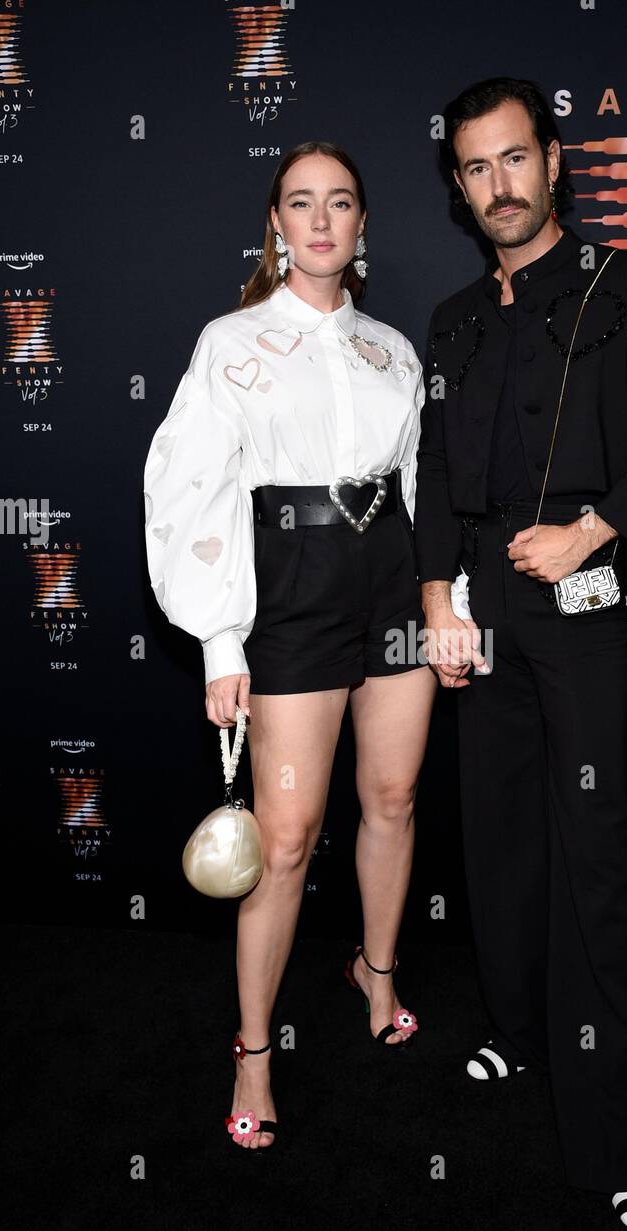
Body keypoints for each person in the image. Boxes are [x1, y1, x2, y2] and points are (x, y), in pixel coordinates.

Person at [415, 78, 627, 1228]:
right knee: (499, 839)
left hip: (581, 587)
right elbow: (439, 476)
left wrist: (592, 529)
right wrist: (440, 599)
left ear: (554, 161)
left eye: (514, 160)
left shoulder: (624, 286)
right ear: (459, 184)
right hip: (478, 602)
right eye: (475, 168)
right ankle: (519, 1029)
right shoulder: (451, 321)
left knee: (597, 852)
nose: (499, 185)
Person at [143, 141, 434, 1152]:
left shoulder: (396, 350)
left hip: (392, 578)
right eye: (300, 203)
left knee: (393, 796)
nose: (320, 221)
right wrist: (222, 636)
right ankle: (255, 1048)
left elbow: (421, 490)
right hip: (292, 594)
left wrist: (448, 603)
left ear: (362, 226)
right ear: (276, 222)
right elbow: (190, 487)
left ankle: (376, 968)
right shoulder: (230, 341)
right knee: (288, 835)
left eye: (340, 203)